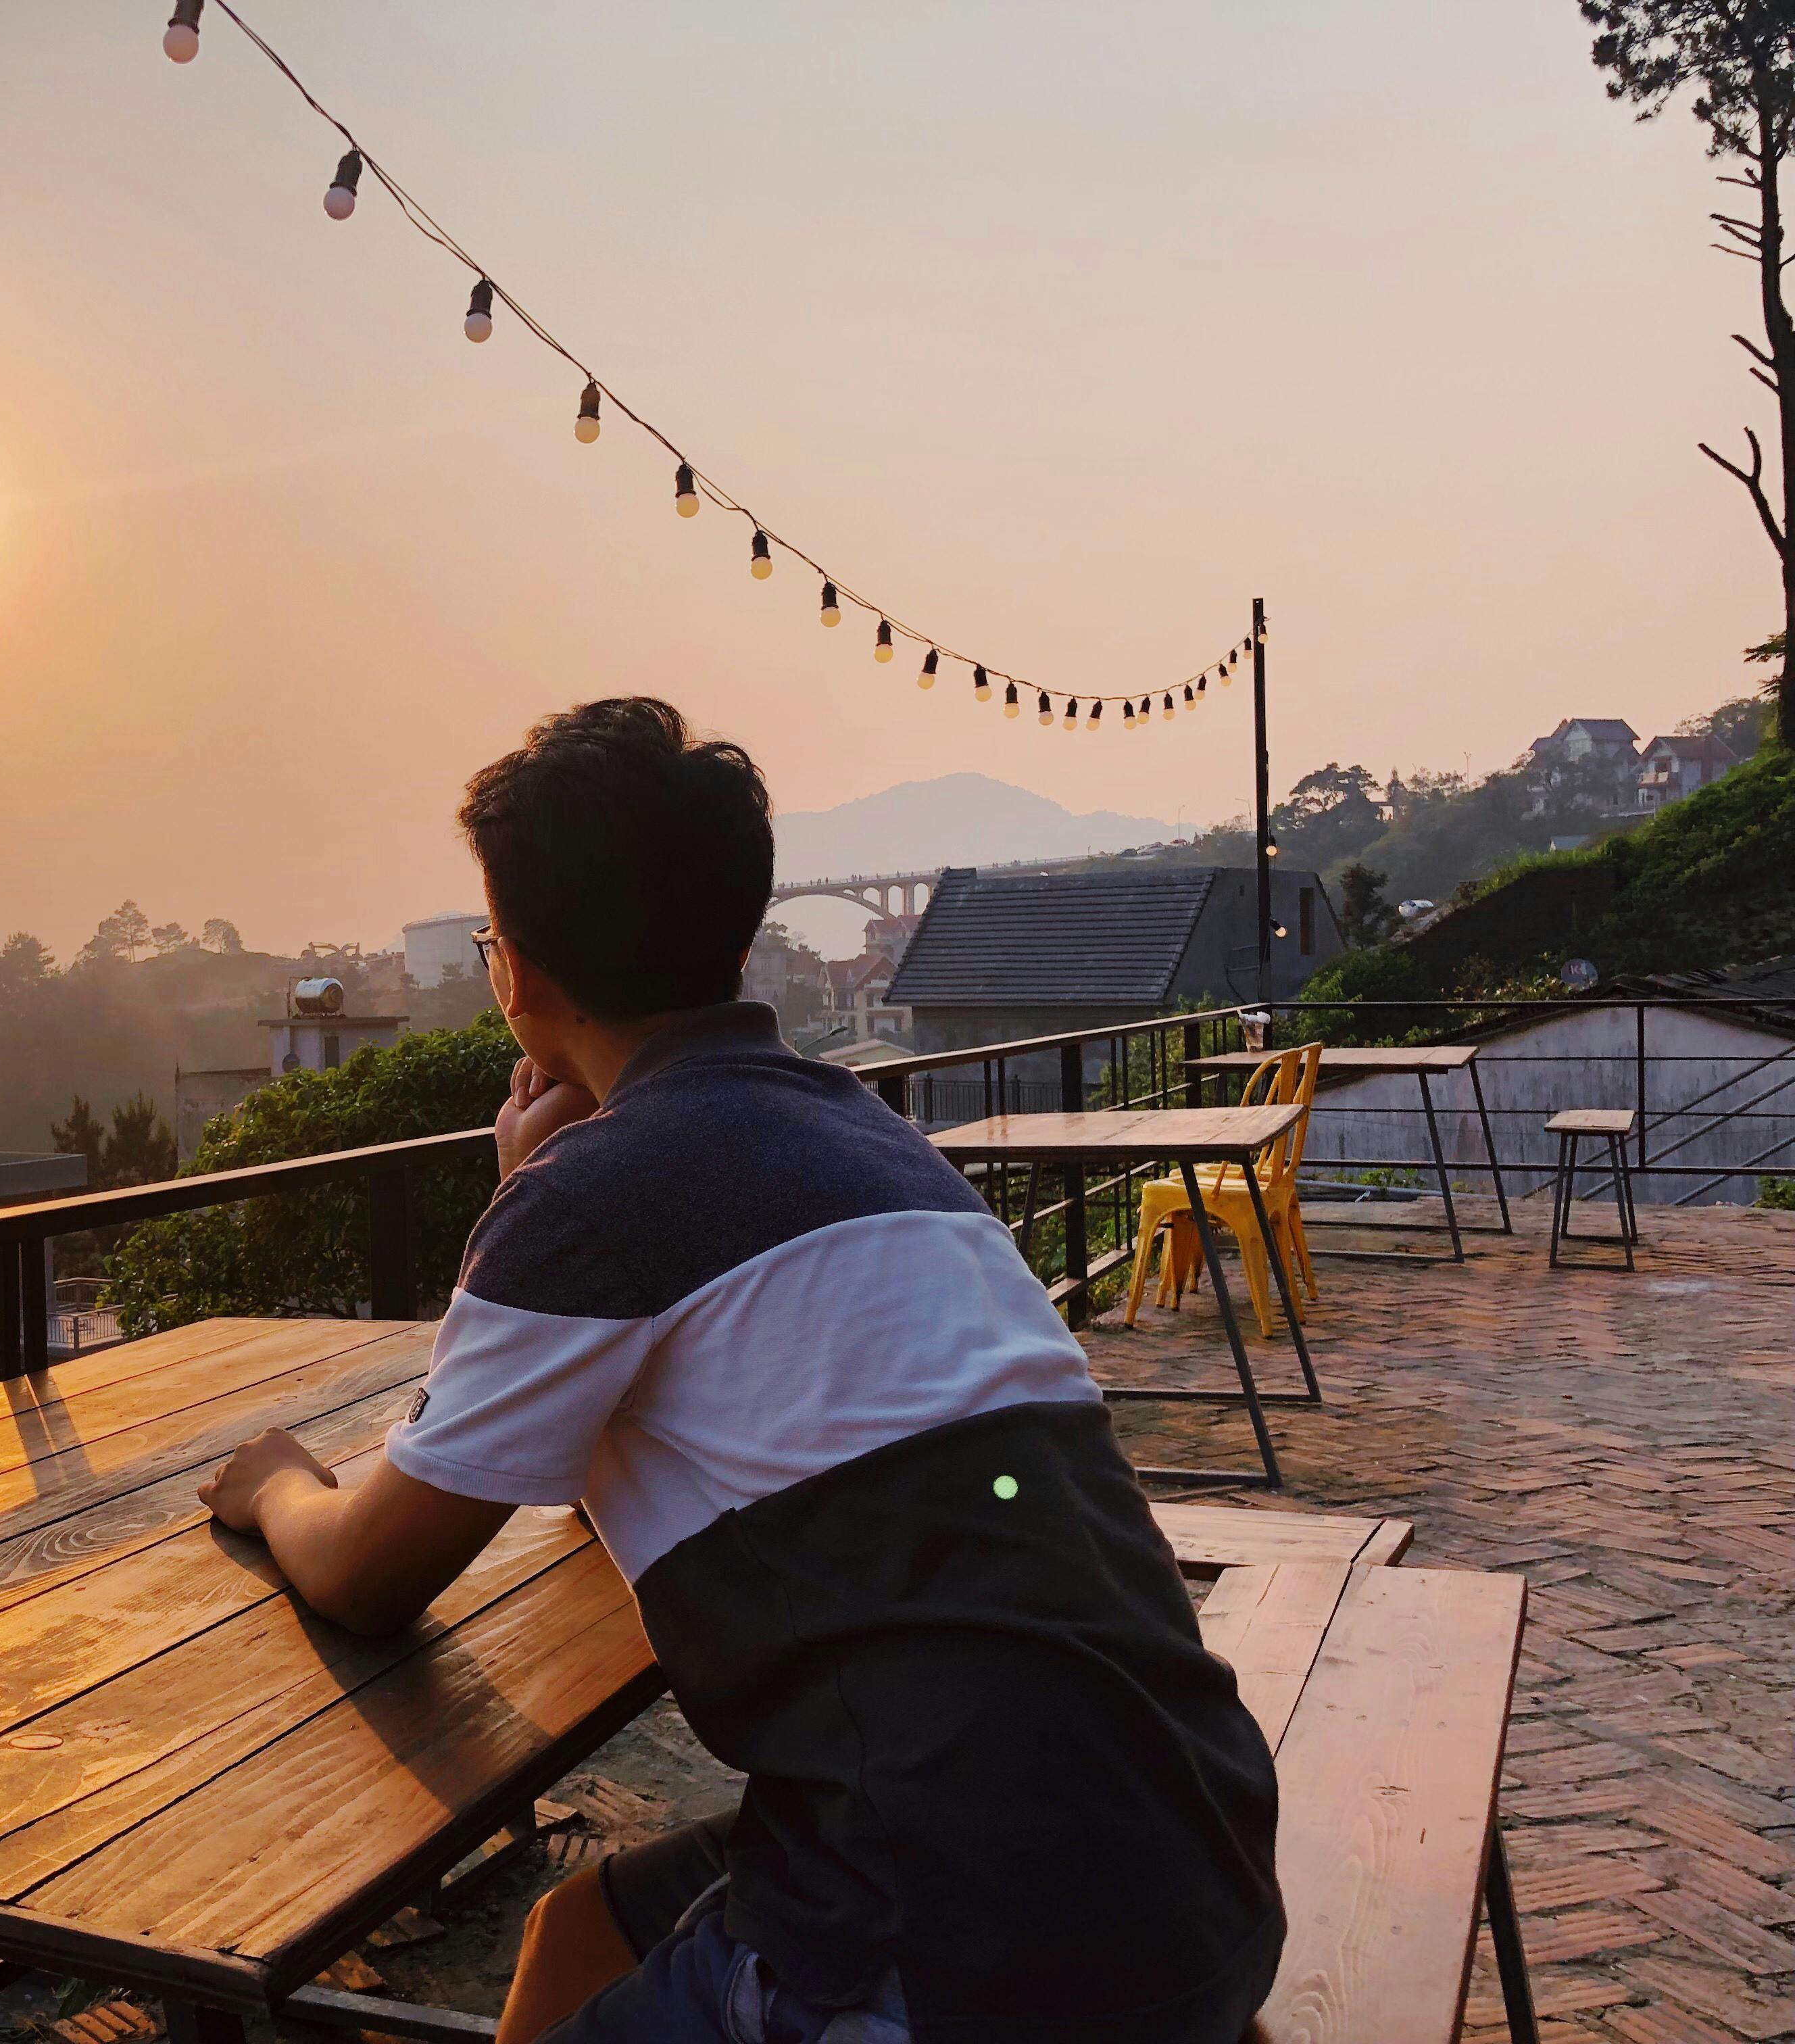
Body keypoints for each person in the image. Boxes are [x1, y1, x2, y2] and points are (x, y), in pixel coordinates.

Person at [198, 699, 1282, 2044]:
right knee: (582, 1930)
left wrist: (279, 1486)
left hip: (978, 1944)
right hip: (1191, 1849)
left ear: (518, 974)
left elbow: (368, 1578)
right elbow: (663, 1495)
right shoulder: (883, 1150)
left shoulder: (589, 1208)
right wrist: (544, 1193)